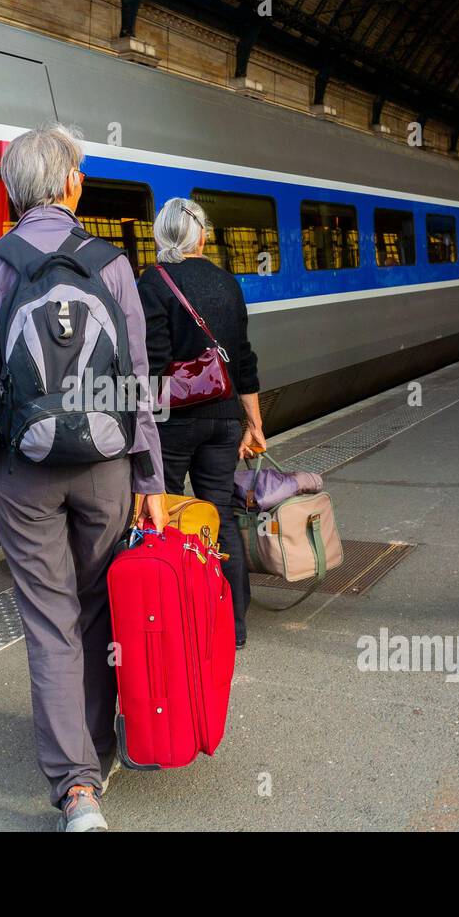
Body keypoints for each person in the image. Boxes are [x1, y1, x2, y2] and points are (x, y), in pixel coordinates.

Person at [0, 123, 167, 831]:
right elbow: (138, 384)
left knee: (49, 620)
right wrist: (149, 479)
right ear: (70, 185)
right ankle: (100, 749)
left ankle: (76, 789)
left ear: (15, 193)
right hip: (104, 466)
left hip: (23, 470)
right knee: (96, 610)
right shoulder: (113, 265)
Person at [139, 197, 263, 649]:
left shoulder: (152, 282)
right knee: (220, 513)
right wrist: (254, 422)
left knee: (165, 513)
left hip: (173, 419)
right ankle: (232, 626)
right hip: (225, 417)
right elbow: (243, 360)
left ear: (161, 237)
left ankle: (173, 618)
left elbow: (150, 364)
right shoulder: (227, 283)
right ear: (202, 236)